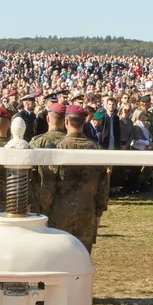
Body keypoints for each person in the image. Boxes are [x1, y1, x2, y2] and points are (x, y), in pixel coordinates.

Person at [37, 104, 109, 252]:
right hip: (87, 211)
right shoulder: (95, 149)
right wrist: (99, 210)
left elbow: (47, 189)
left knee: (59, 258)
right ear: (84, 122)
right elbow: (103, 187)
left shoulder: (58, 149)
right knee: (82, 258)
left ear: (67, 122)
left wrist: (45, 209)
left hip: (60, 213)